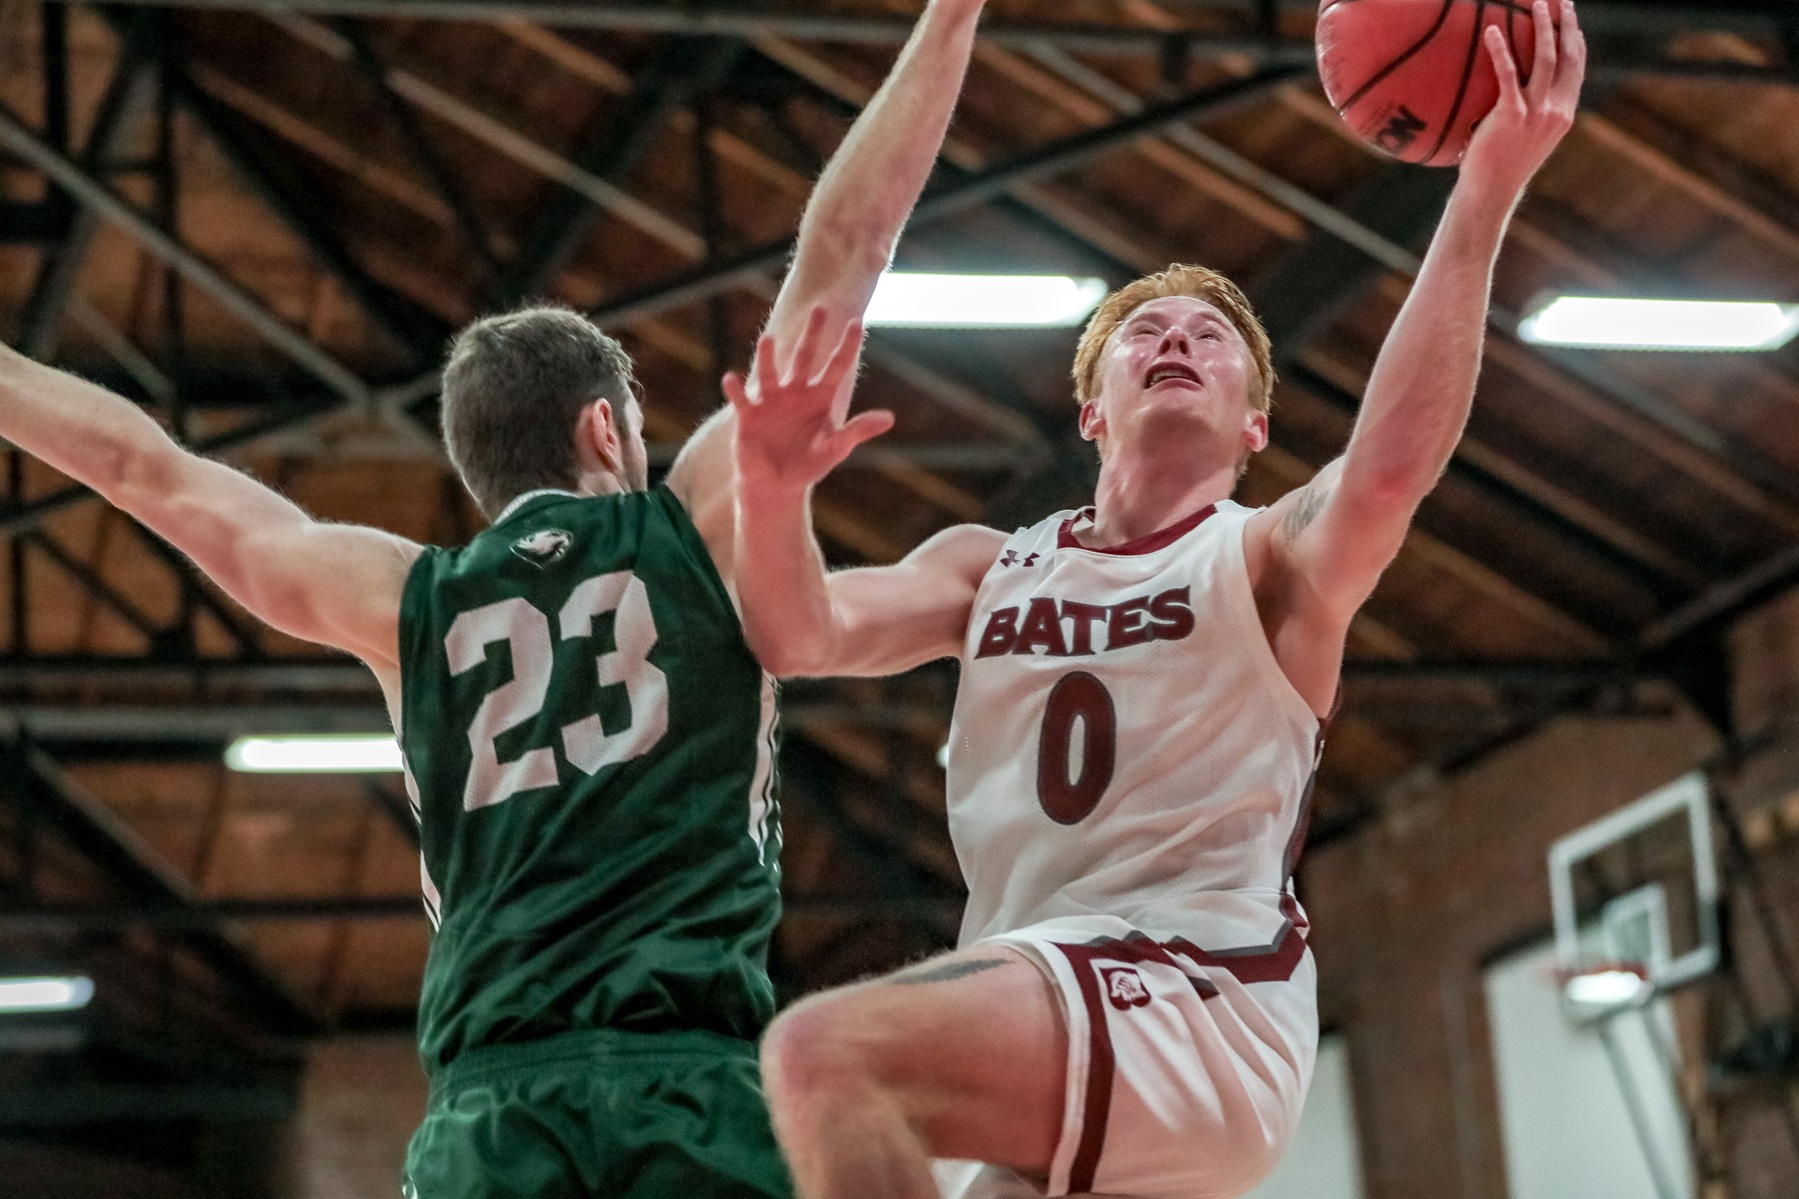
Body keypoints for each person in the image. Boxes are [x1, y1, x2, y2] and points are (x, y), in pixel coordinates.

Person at [0, 2, 991, 1194]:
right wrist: (949, 16)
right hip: (691, 1083)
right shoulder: (694, 528)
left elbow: (140, 465)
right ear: (604, 427)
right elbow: (848, 244)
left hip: (493, 1111)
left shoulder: (401, 598)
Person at [726, 4, 1587, 1197]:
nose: (1175, 336)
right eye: (1143, 331)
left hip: (1198, 989)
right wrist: (768, 493)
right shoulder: (990, 565)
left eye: (1211, 336)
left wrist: (1483, 190)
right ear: (1091, 410)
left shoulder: (1266, 557)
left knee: (822, 1053)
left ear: (1254, 425)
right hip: (1049, 997)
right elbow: (797, 629)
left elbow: (1387, 469)